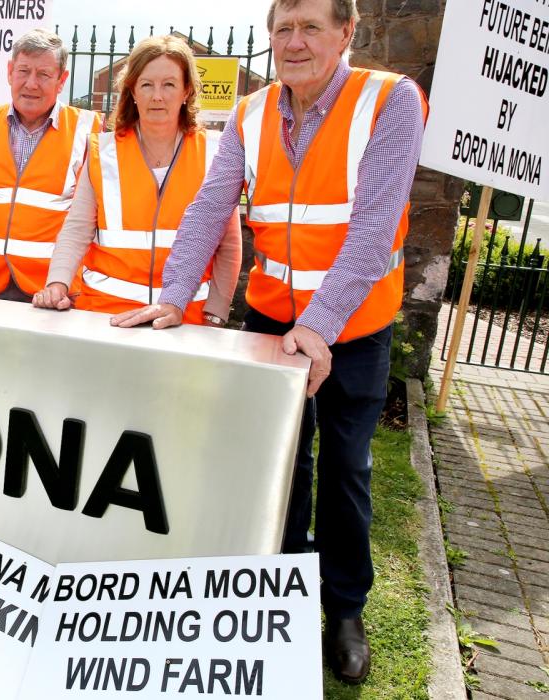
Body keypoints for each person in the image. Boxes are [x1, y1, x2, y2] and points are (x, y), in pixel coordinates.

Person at [115, 0, 428, 683]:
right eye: (283, 28)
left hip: (353, 329)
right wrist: (174, 295)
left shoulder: (390, 100)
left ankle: (344, 609)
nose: (295, 42)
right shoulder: (251, 113)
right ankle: (276, 590)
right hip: (270, 323)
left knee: (345, 469)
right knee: (278, 464)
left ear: (346, 32)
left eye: (312, 26)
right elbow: (210, 205)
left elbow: (375, 228)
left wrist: (319, 326)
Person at [32, 36, 239, 322]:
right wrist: (58, 283)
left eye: (169, 85)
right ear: (132, 91)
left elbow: (229, 244)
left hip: (185, 319)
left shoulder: (213, 152)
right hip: (106, 315)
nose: (157, 96)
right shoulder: (104, 152)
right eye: (146, 85)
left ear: (187, 91)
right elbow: (76, 230)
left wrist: (215, 314)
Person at [0, 29, 100, 301]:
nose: (31, 84)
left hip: (52, 291)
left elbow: (93, 220)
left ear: (61, 80)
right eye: (23, 71)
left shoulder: (89, 132)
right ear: (10, 72)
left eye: (43, 74)